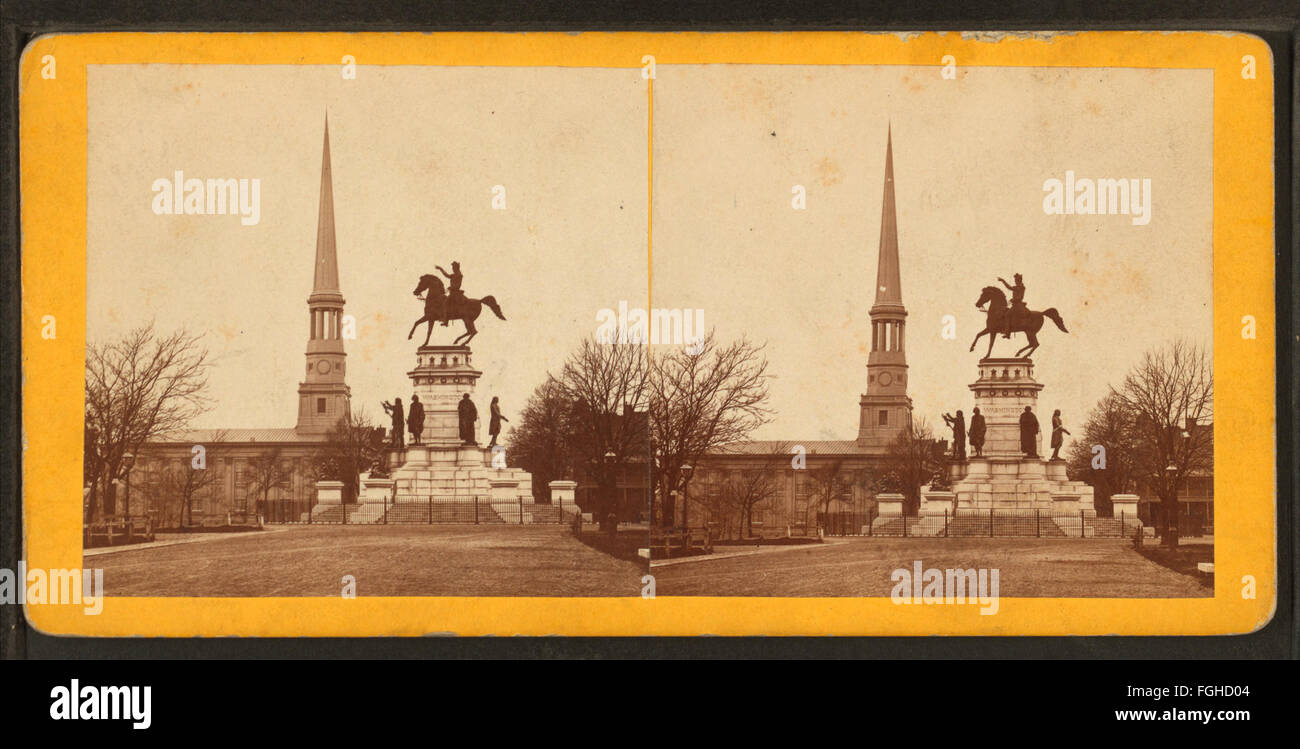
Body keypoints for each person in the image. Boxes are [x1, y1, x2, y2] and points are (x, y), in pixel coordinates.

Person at [997, 273, 1027, 338]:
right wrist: (1003, 281)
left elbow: (1020, 297)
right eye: (1015, 280)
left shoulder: (1021, 287)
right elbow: (1009, 287)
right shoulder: (1018, 287)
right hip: (1015, 305)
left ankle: (1007, 333)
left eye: (1016, 280)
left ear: (1019, 280)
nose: (1015, 281)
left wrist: (1014, 299)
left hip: (1018, 305)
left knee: (1007, 315)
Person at [436, 261, 464, 326]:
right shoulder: (454, 275)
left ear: (456, 268)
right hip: (452, 292)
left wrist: (451, 287)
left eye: (453, 267)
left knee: (445, 303)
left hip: (455, 293)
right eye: (452, 267)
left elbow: (458, 285)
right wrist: (440, 269)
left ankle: (446, 321)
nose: (452, 269)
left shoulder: (459, 275)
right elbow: (446, 275)